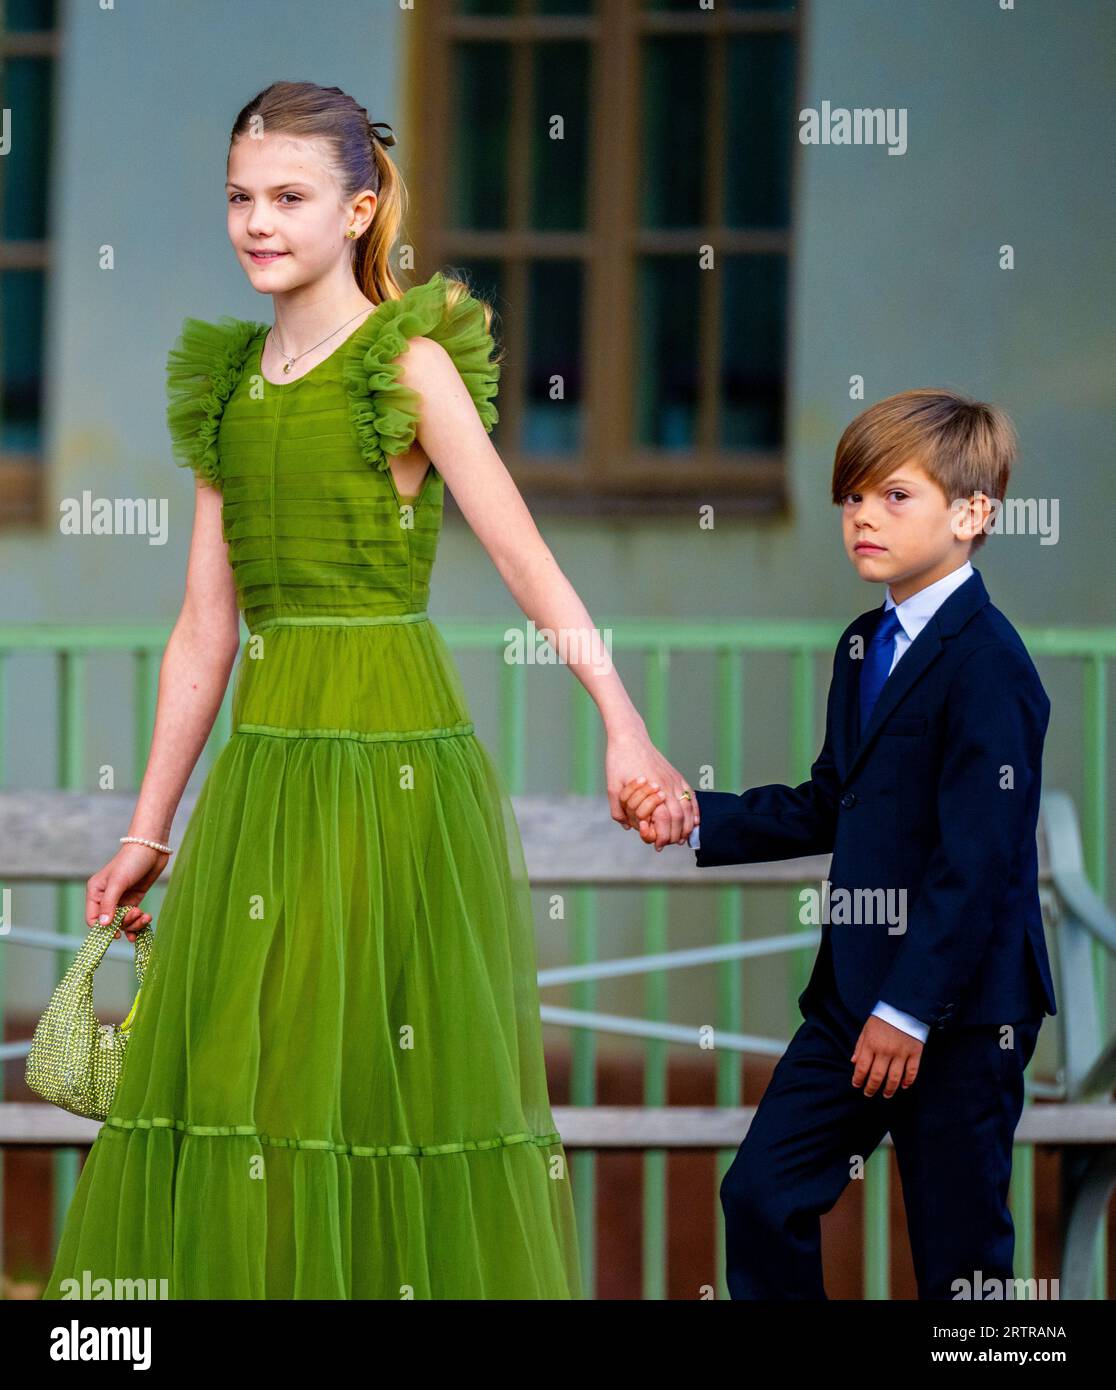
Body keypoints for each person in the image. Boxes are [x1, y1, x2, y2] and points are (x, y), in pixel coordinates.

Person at [41, 79, 698, 1301]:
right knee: (249, 1092)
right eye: (240, 197)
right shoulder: (230, 382)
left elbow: (519, 552)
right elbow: (203, 628)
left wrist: (627, 727)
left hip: (387, 760)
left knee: (347, 1084)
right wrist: (148, 826)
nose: (257, 221)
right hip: (265, 776)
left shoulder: (407, 363)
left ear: (359, 207)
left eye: (289, 196)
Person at [619, 389, 1057, 1299]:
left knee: (963, 1264)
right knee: (762, 1193)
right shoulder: (866, 645)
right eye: (853, 496)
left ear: (973, 515)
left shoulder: (992, 667)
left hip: (961, 1015)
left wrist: (910, 1012)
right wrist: (696, 815)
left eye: (895, 496)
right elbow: (834, 801)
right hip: (852, 1004)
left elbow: (976, 864)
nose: (863, 516)